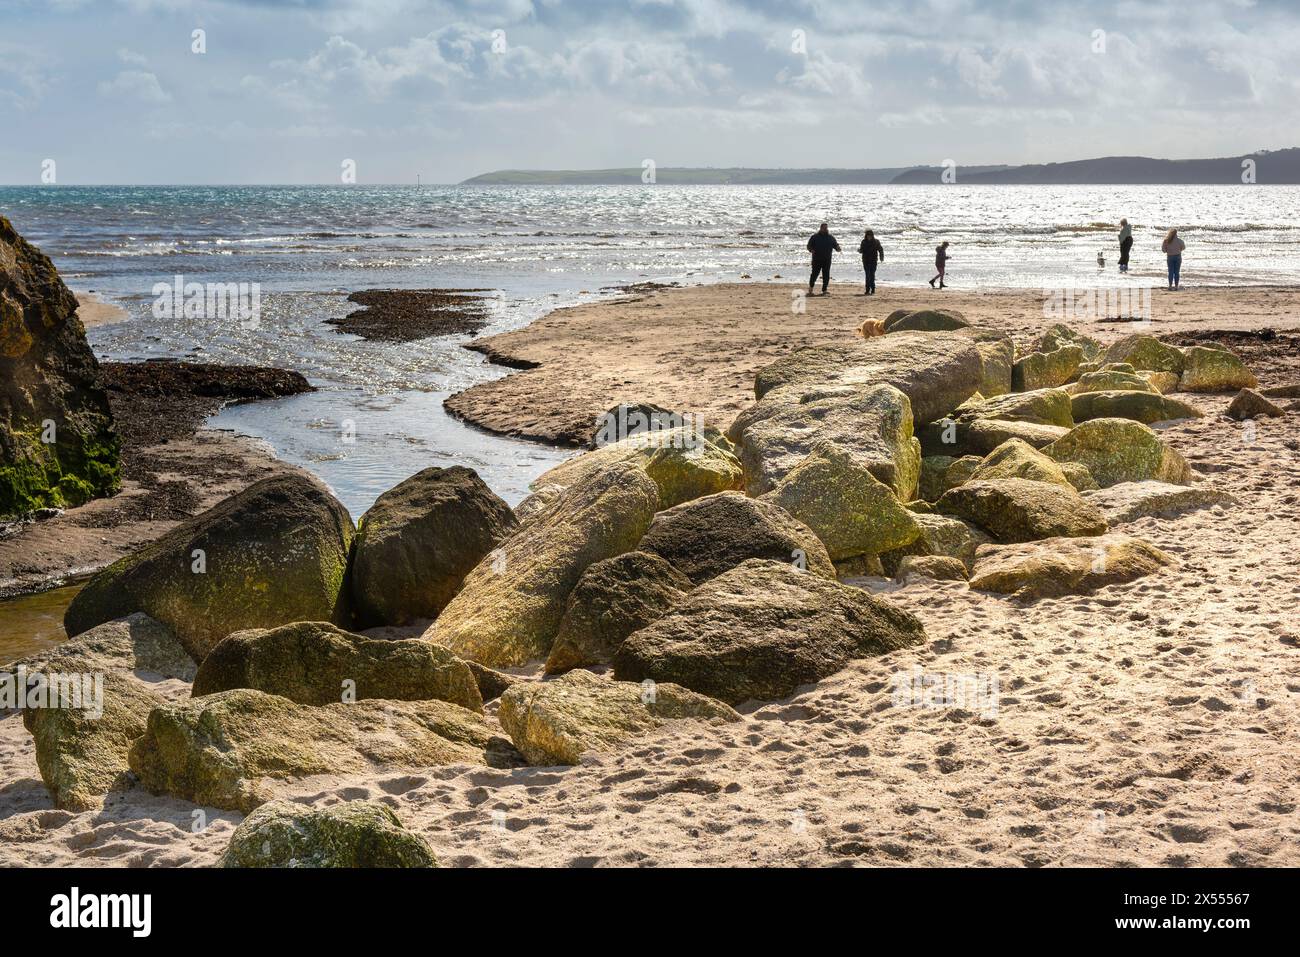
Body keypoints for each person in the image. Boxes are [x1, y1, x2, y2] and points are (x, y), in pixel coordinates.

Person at [807, 223, 841, 295]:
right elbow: (809, 245)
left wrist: (838, 248)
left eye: (826, 228)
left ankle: (824, 290)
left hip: (827, 259)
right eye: (824, 228)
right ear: (821, 228)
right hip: (817, 259)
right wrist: (811, 250)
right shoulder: (815, 237)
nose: (826, 229)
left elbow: (835, 245)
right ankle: (810, 289)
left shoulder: (830, 237)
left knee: (826, 275)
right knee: (814, 274)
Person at [859, 229, 884, 295]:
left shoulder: (876, 242)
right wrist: (859, 250)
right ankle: (867, 290)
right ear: (866, 235)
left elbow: (880, 249)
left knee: (872, 275)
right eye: (868, 235)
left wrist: (881, 257)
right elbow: (862, 250)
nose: (869, 237)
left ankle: (873, 289)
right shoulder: (864, 242)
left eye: (870, 235)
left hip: (873, 261)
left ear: (872, 235)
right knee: (867, 275)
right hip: (866, 261)